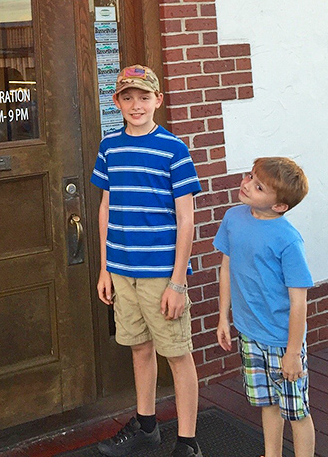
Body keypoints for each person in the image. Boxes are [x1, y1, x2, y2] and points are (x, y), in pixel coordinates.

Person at [93, 65, 203, 457]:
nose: (135, 105)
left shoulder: (174, 149)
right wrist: (105, 267)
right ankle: (146, 426)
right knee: (139, 348)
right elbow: (106, 207)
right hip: (122, 270)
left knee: (176, 353)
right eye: (127, 97)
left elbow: (187, 218)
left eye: (144, 97)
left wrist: (178, 282)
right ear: (117, 102)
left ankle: (187, 443)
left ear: (158, 100)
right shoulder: (110, 147)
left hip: (161, 273)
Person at [214, 158, 315, 457]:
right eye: (250, 176)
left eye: (258, 186)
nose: (246, 184)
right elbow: (226, 267)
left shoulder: (288, 239)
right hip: (249, 335)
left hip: (283, 342)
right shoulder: (233, 218)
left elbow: (299, 301)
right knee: (267, 403)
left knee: (296, 411)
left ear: (279, 206)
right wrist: (223, 318)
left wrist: (293, 353)